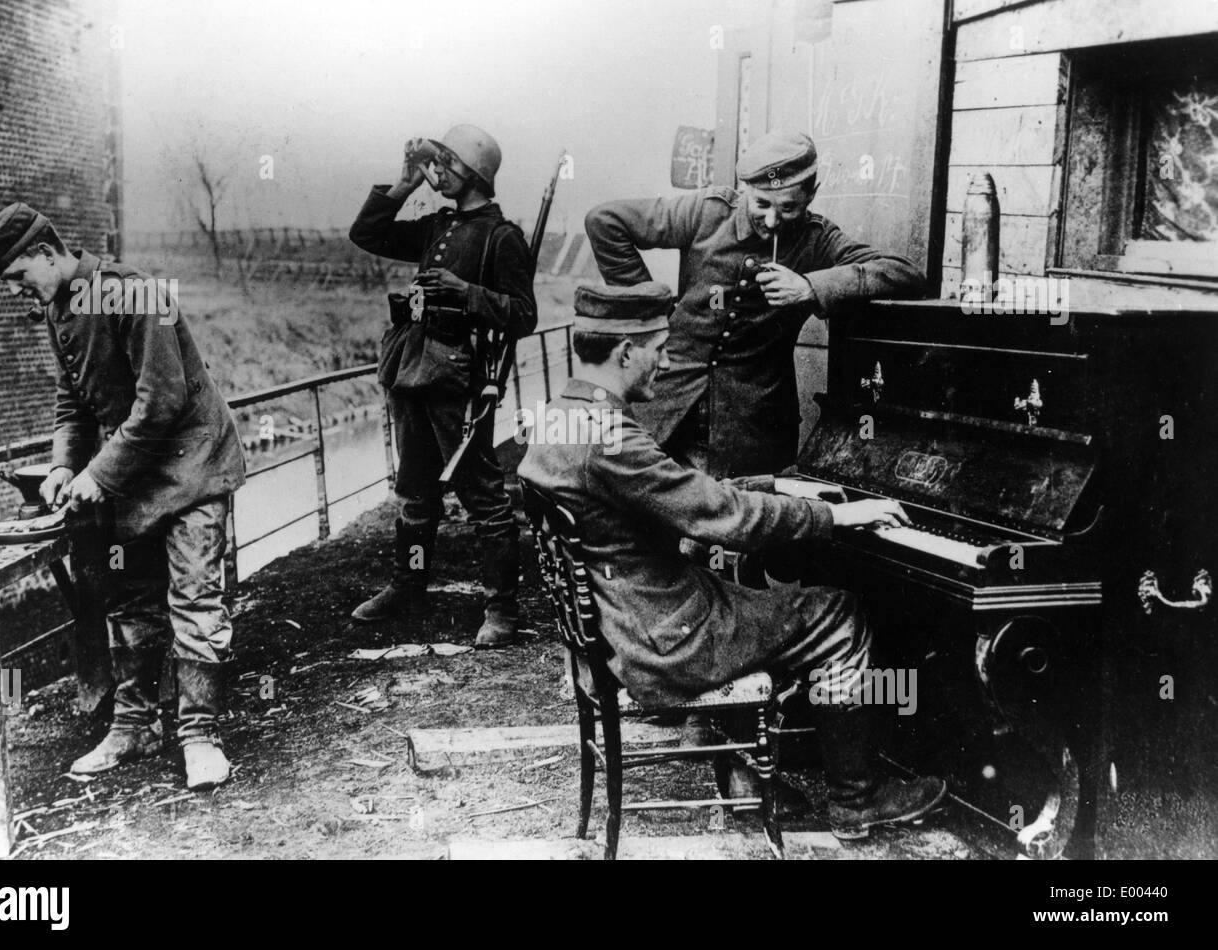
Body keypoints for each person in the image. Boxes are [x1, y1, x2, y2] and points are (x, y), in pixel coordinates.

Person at [517, 282, 946, 839]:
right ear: (626, 353)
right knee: (837, 614)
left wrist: (776, 484)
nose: (668, 361)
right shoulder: (610, 436)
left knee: (752, 598)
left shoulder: (561, 419)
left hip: (621, 626)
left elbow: (671, 493)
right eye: (660, 348)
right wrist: (837, 515)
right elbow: (724, 517)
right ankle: (856, 799)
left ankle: (748, 776)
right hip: (669, 642)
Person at [0, 202, 245, 790]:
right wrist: (64, 465)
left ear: (46, 253)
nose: (21, 293)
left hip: (190, 464)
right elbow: (73, 404)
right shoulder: (59, 308)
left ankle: (199, 735)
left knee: (194, 598)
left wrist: (98, 475)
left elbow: (162, 402)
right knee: (130, 601)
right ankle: (134, 725)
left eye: (21, 278)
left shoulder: (131, 292)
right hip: (134, 475)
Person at [584, 129, 923, 479]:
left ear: (812, 195)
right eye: (761, 204)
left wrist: (809, 286)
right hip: (666, 412)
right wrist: (650, 312)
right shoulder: (707, 212)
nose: (773, 221)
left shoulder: (817, 240)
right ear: (745, 189)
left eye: (789, 207)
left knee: (735, 525)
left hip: (751, 434)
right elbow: (605, 222)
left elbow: (905, 272)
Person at [349, 124, 536, 647]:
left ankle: (502, 609)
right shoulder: (437, 226)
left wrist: (467, 291)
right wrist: (404, 183)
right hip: (412, 369)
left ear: (472, 173)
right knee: (415, 491)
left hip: (462, 382)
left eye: (446, 164)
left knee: (483, 497)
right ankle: (409, 585)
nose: (439, 173)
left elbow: (523, 314)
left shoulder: (503, 238)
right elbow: (367, 235)